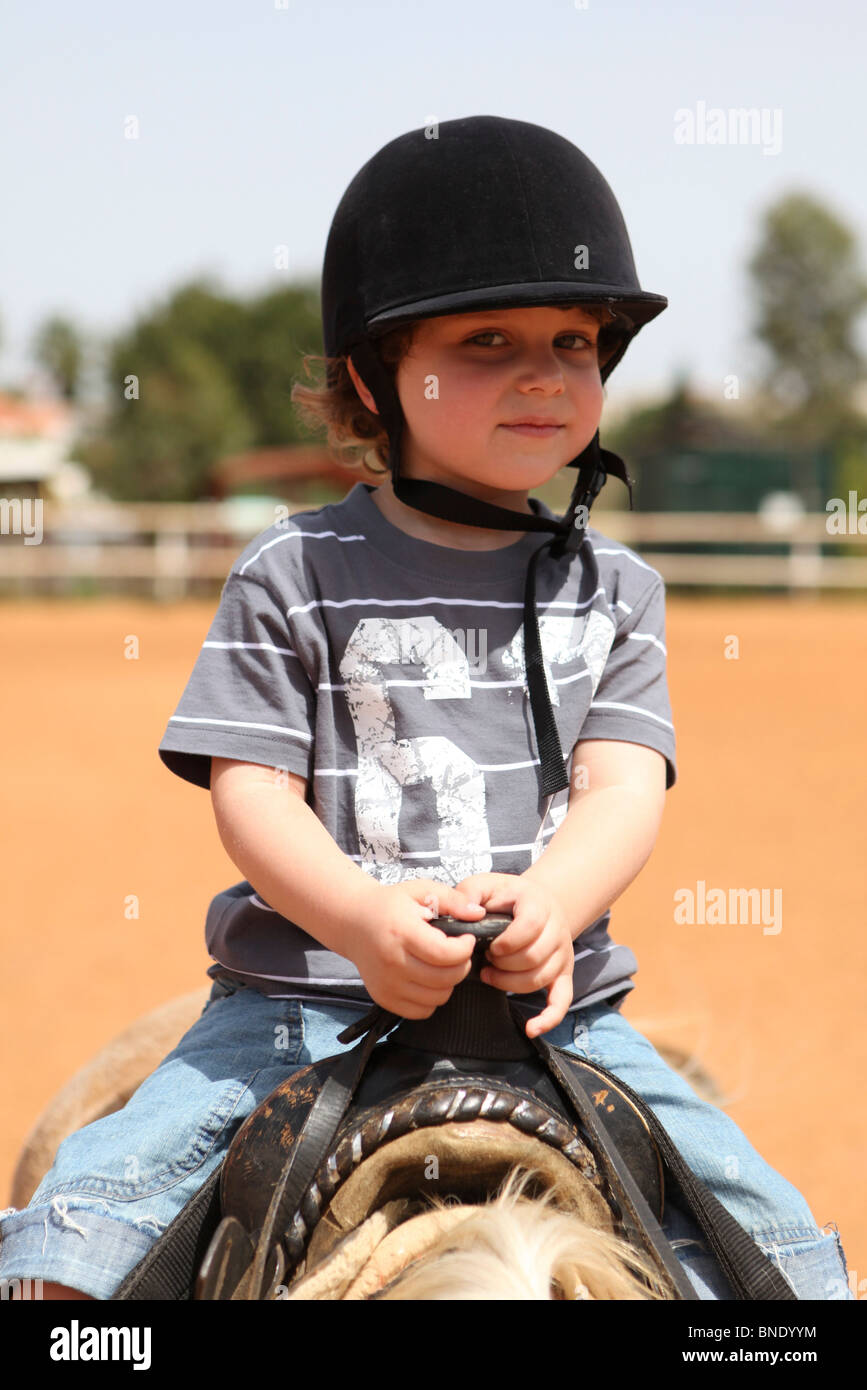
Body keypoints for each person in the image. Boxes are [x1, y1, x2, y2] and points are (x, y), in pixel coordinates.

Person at [0, 116, 851, 1302]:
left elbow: (622, 785)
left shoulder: (619, 592)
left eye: (575, 340)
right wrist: (356, 920)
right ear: (372, 375)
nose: (549, 373)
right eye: (489, 341)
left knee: (793, 1273)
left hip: (561, 1020)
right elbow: (253, 793)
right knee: (71, 1252)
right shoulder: (290, 572)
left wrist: (553, 903)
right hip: (297, 1010)